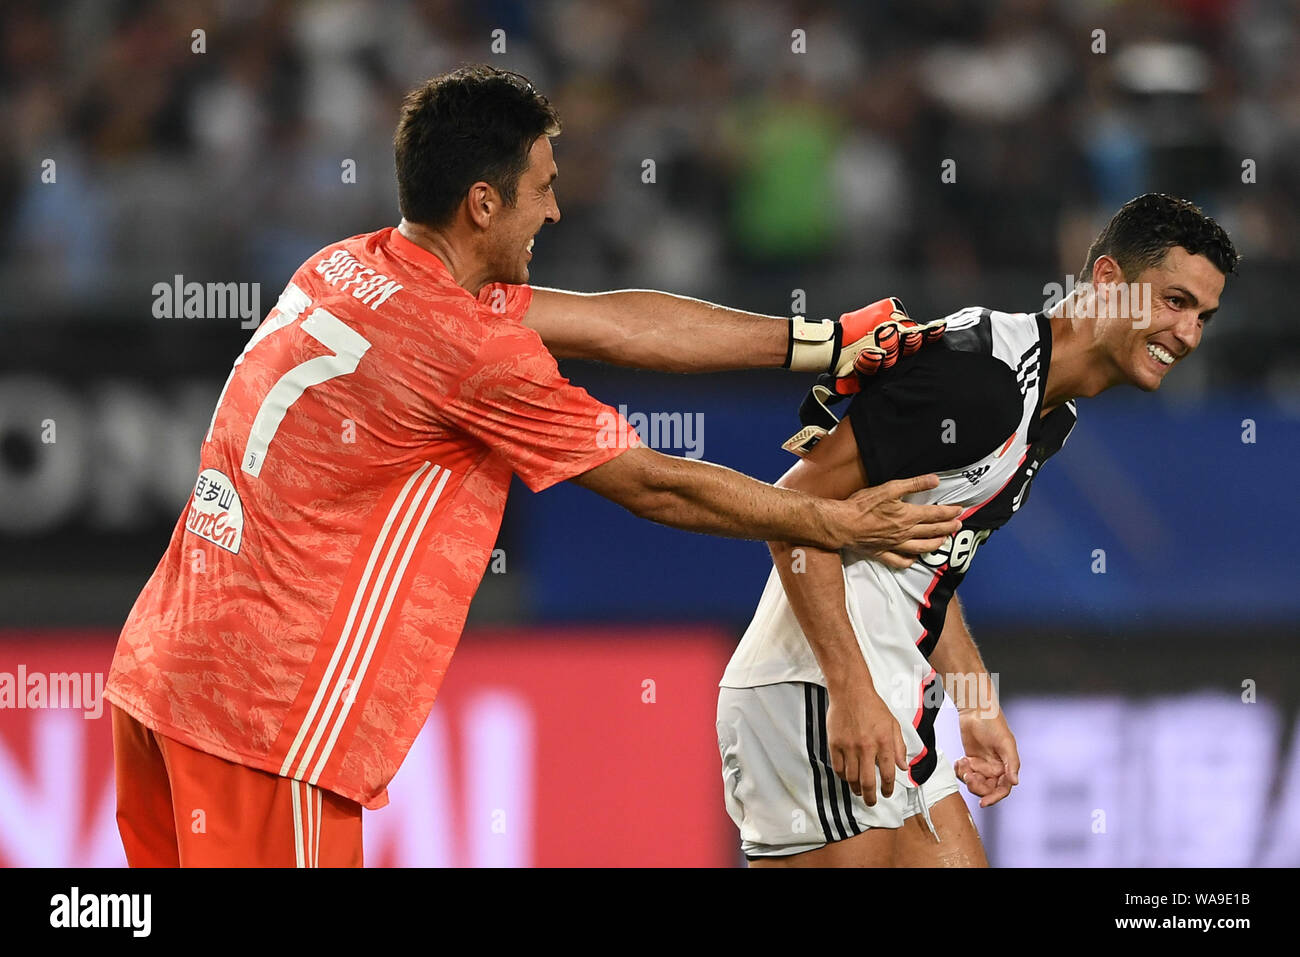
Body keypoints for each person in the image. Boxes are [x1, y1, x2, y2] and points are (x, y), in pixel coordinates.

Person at [103, 65, 957, 867]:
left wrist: (822, 342)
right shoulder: (465, 349)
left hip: (162, 681)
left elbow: (615, 325)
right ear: (483, 203)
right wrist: (834, 521)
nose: (555, 210)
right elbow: (653, 483)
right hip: (264, 721)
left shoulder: (345, 264)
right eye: (544, 187)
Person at [716, 192, 1238, 866]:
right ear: (1109, 280)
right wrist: (849, 690)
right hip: (815, 693)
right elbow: (790, 513)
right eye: (1174, 301)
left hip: (891, 694)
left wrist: (974, 700)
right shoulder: (981, 378)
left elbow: (928, 563)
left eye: (1203, 316)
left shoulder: (1048, 411)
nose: (1188, 335)